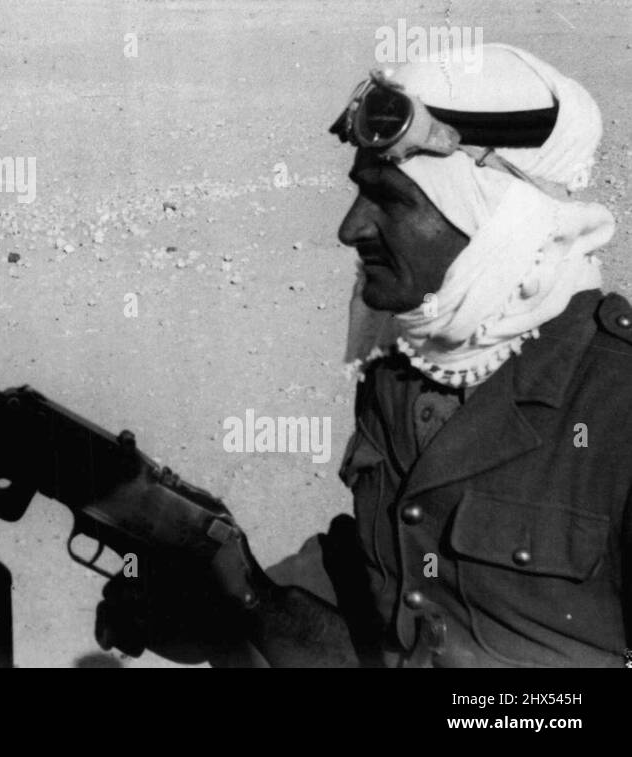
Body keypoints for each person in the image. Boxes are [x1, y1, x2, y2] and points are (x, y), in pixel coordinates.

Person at [95, 44, 632, 668]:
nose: (350, 229)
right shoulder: (406, 372)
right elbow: (387, 584)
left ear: (498, 220)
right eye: (359, 192)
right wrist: (233, 599)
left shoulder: (616, 408)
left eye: (391, 199)